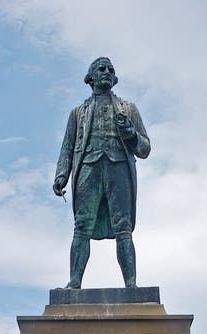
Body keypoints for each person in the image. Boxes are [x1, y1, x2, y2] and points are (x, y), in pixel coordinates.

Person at [53, 56, 151, 289]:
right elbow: (67, 147)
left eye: (110, 69)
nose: (106, 72)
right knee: (82, 226)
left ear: (115, 78)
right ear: (90, 78)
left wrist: (130, 133)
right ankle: (74, 282)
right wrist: (61, 175)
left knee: (123, 227)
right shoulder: (78, 113)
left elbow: (144, 148)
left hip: (119, 168)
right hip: (89, 167)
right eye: (101, 69)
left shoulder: (128, 109)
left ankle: (131, 285)